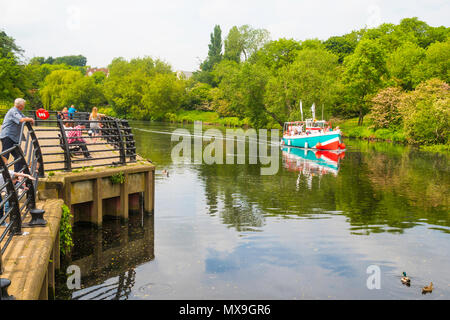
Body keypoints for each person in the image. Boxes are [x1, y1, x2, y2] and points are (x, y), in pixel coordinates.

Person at [0, 98, 35, 172]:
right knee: (5, 155)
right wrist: (30, 119)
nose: (24, 107)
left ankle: (17, 175)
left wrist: (29, 119)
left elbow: (24, 117)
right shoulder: (13, 111)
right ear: (21, 106)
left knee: (19, 156)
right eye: (23, 105)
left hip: (13, 137)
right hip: (8, 136)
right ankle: (2, 174)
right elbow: (21, 119)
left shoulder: (18, 111)